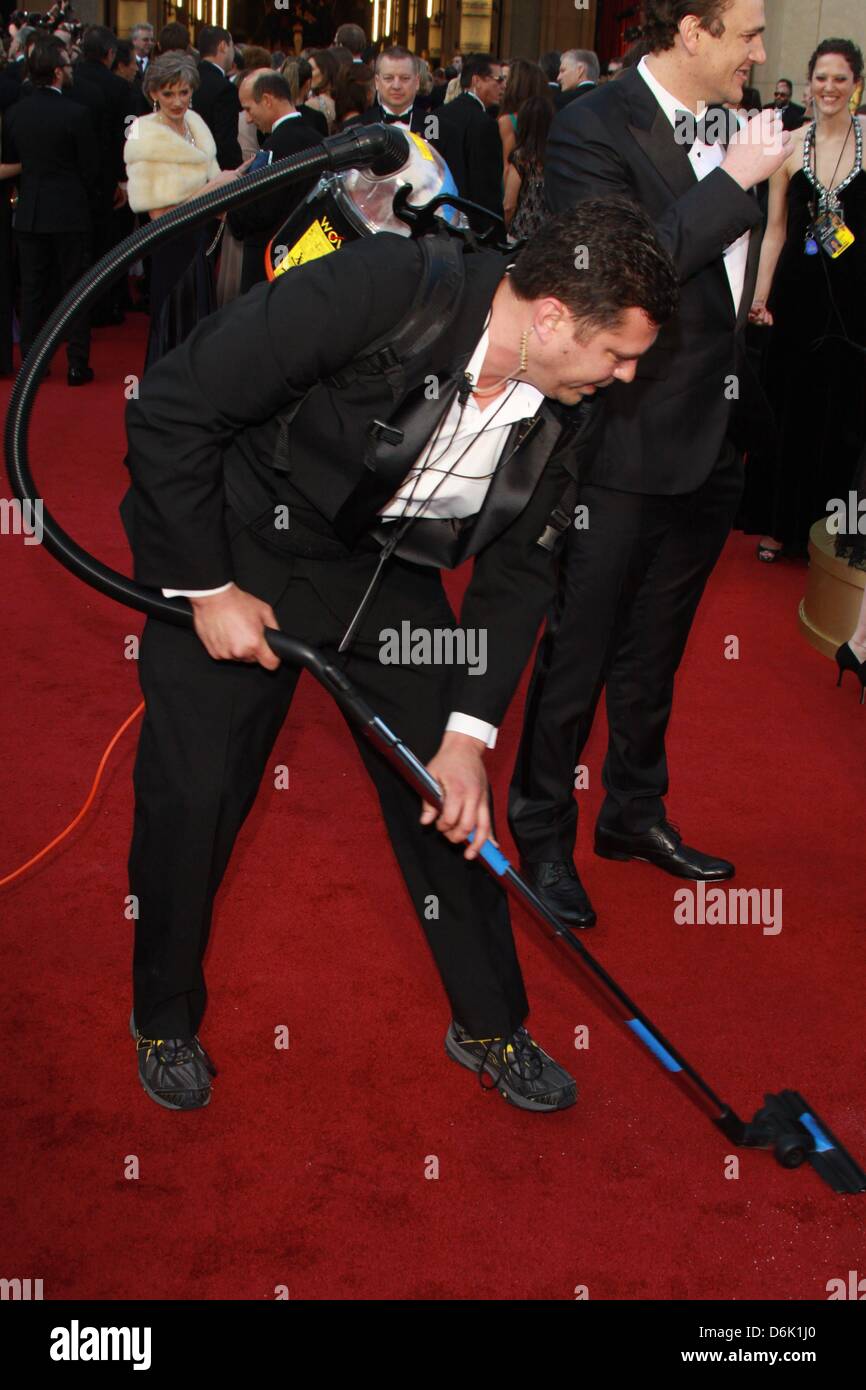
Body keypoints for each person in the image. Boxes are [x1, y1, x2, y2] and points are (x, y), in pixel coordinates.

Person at [119, 201, 677, 1113]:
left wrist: (466, 737)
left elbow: (517, 578)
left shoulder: (566, 406)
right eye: (617, 353)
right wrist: (207, 587)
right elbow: (175, 408)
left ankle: (489, 1022)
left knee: (452, 804)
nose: (624, 376)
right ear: (550, 319)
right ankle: (164, 1018)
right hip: (238, 538)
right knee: (194, 797)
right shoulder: (382, 285)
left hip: (376, 568)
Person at [507, 0, 791, 930]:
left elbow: (737, 285)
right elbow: (614, 279)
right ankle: (540, 836)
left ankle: (632, 812)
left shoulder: (736, 126)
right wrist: (738, 179)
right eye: (747, 33)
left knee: (658, 648)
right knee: (579, 647)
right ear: (691, 31)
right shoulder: (595, 122)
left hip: (714, 438)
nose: (761, 50)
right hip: (620, 438)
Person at [748, 39, 865, 562]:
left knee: (848, 415)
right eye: (821, 77)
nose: (829, 88)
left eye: (841, 78)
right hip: (798, 296)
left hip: (859, 299)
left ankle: (837, 528)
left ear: (856, 84)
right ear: (808, 81)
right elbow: (774, 230)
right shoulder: (788, 147)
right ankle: (781, 524)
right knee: (791, 410)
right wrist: (761, 292)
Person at [124, 51, 250, 369]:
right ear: (153, 93)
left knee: (200, 327)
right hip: (172, 250)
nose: (178, 101)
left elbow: (216, 179)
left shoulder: (195, 123)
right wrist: (213, 189)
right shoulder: (144, 136)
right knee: (175, 327)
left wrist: (226, 190)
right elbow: (159, 216)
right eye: (168, 93)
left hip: (203, 243)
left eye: (184, 92)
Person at [2, 37, 98, 384]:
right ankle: (76, 363)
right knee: (76, 288)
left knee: (32, 290)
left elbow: (14, 163)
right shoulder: (76, 113)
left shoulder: (14, 114)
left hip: (29, 211)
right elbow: (90, 167)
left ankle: (32, 363)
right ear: (57, 73)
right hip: (70, 209)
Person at [227, 69, 323, 293]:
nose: (249, 118)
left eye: (249, 109)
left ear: (267, 100)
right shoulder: (318, 139)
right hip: (308, 262)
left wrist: (230, 211)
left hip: (268, 266)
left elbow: (259, 211)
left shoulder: (274, 148)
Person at [432, 53, 505, 233]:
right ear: (476, 80)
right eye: (498, 79)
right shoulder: (485, 123)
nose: (503, 86)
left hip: (437, 218)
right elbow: (487, 187)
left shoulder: (435, 116)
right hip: (472, 228)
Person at [504, 95, 553, 239]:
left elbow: (509, 205)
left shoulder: (521, 157)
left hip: (522, 232)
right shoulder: (558, 155)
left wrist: (507, 227)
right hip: (551, 233)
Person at [194, 24, 241, 169]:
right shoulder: (225, 89)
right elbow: (226, 142)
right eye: (232, 46)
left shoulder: (188, 80)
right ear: (223, 46)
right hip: (215, 174)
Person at [497, 57, 550, 170]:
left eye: (507, 79)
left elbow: (508, 165)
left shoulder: (508, 121)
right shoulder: (548, 116)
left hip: (515, 182)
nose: (503, 84)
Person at [360, 46, 428, 133]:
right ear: (377, 82)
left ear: (417, 82)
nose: (396, 86)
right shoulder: (357, 127)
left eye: (405, 78)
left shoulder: (437, 127)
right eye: (388, 78)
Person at [305, 47, 339, 131]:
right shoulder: (342, 100)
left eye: (311, 69)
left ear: (325, 71)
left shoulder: (313, 104)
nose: (307, 74)